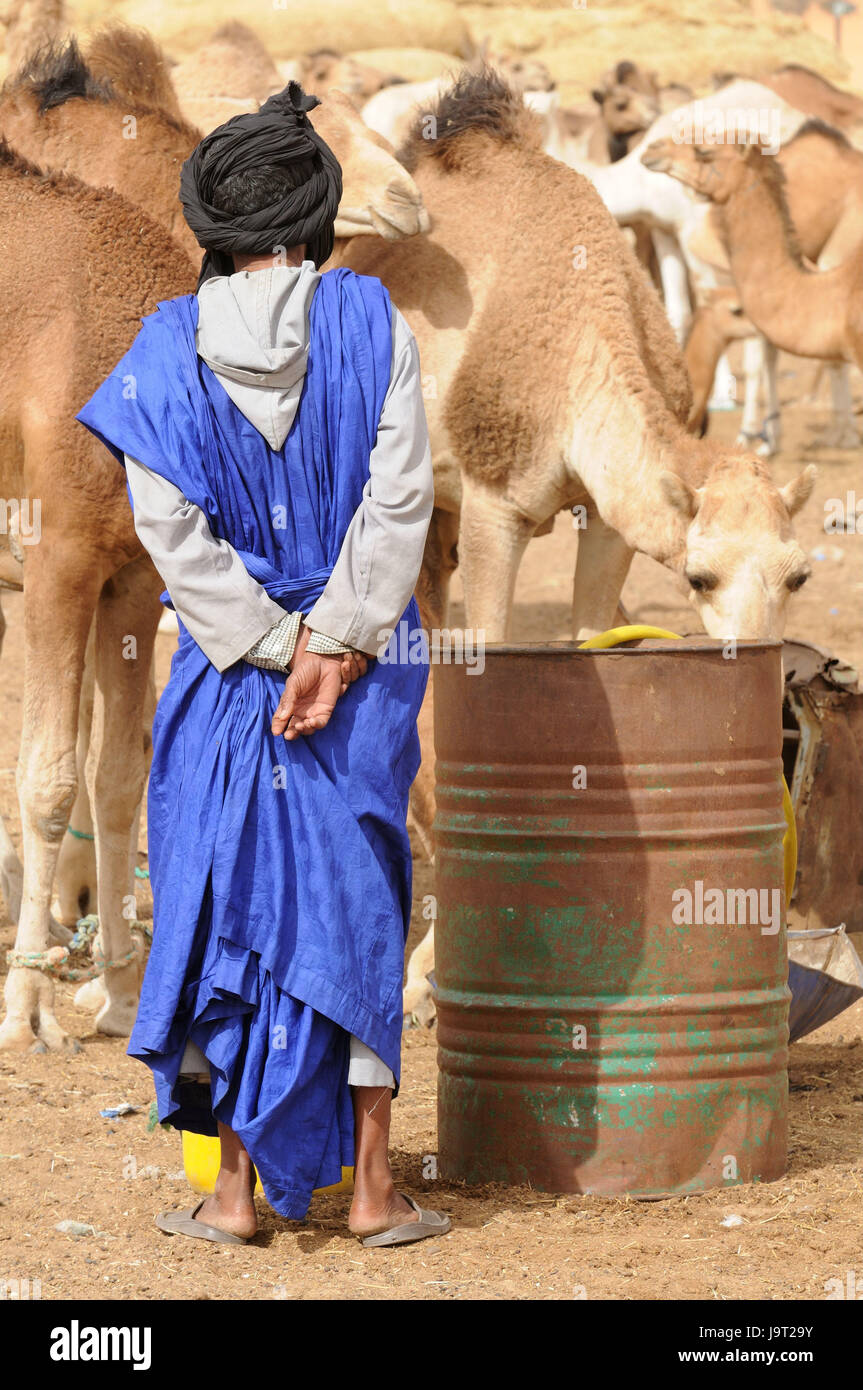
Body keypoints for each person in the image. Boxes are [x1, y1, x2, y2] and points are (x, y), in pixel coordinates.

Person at [77, 82, 448, 1248]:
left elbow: (172, 537)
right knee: (355, 902)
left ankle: (231, 1195)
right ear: (315, 216)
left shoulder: (158, 354)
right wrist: (334, 647)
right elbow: (399, 506)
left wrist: (278, 647)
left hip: (230, 676)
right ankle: (376, 1192)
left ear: (211, 226)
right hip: (367, 669)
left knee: (216, 905)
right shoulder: (373, 323)